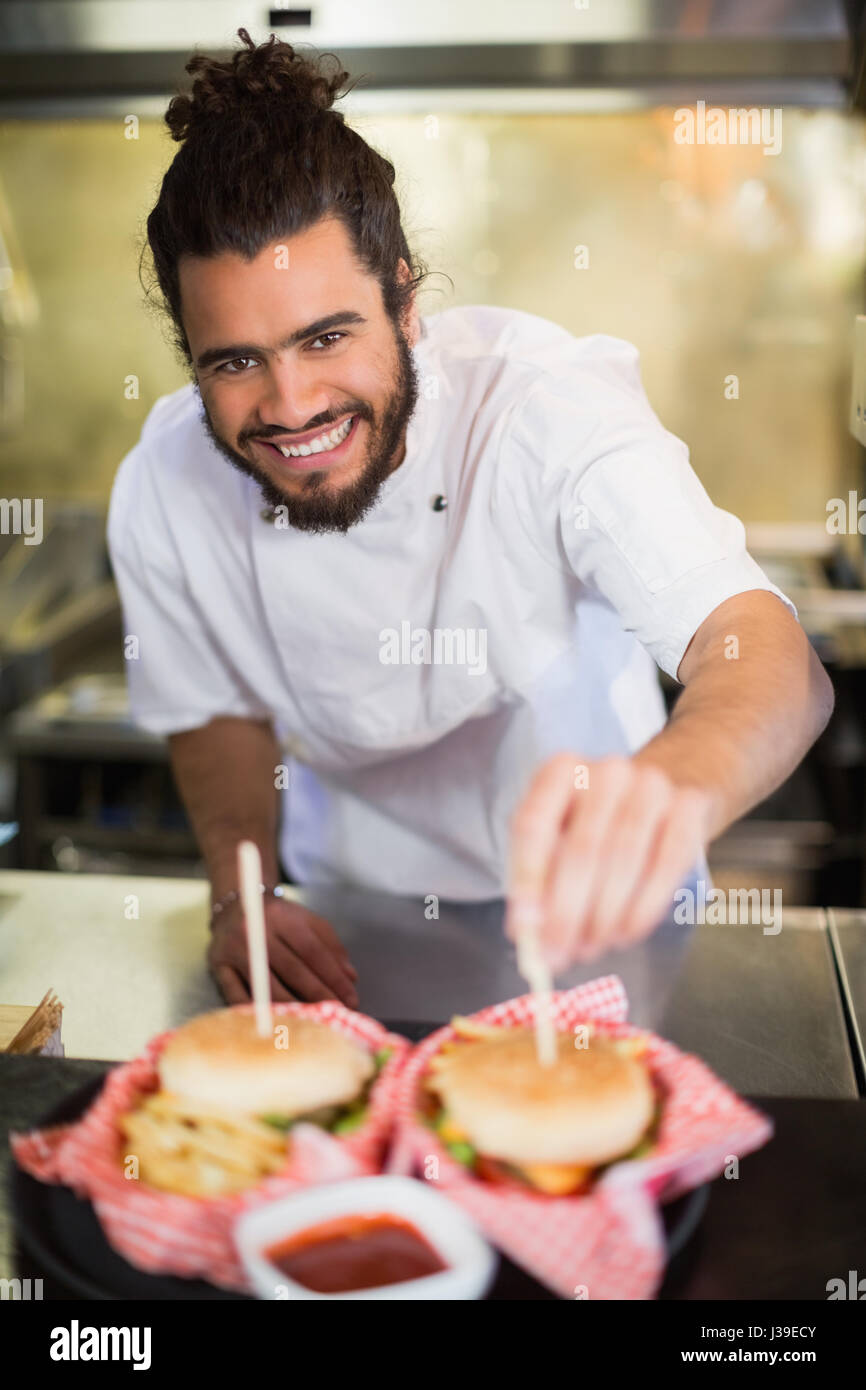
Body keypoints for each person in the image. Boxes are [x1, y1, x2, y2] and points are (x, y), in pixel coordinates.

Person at [107, 30, 834, 1005]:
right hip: (348, 927)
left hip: (607, 922)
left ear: (405, 303)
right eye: (233, 361)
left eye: (326, 337)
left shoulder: (542, 410)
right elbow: (215, 710)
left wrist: (668, 789)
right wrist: (241, 894)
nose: (287, 405)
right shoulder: (165, 479)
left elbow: (759, 652)